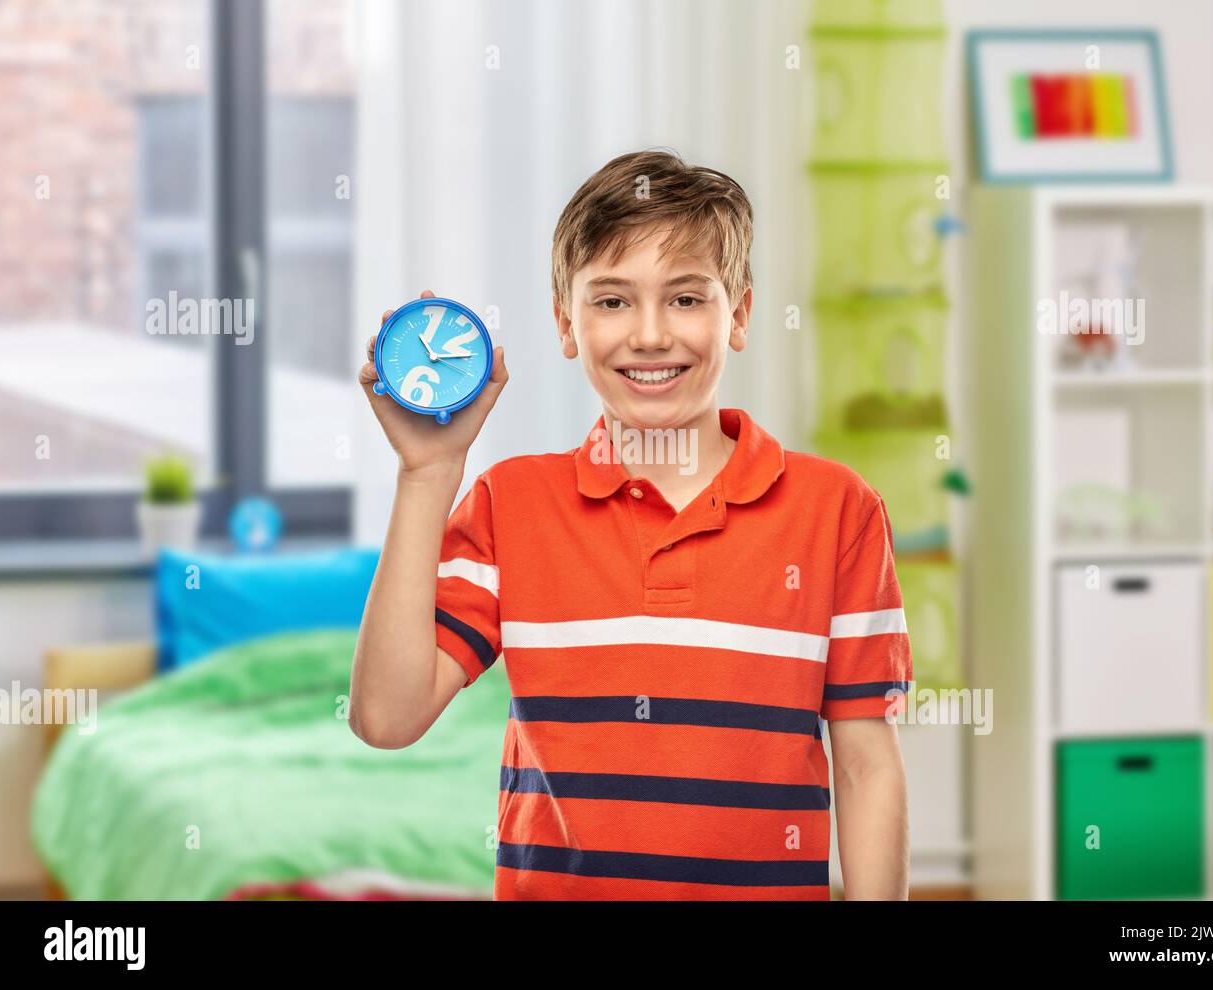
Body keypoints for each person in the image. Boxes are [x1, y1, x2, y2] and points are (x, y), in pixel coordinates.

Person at [350, 149, 913, 900]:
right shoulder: (509, 503)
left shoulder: (836, 509)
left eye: (686, 299)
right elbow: (385, 719)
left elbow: (868, 762)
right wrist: (427, 475)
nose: (649, 335)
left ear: (739, 314)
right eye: (612, 301)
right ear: (566, 323)